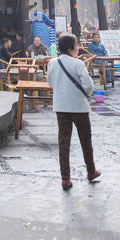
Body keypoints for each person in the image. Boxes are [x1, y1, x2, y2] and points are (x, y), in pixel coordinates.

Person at [46, 33, 102, 190]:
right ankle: (91, 171)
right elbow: (89, 85)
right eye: (76, 45)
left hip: (61, 107)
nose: (77, 48)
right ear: (71, 47)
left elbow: (50, 83)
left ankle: (65, 178)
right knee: (85, 140)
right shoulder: (78, 64)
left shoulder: (52, 63)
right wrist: (86, 95)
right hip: (79, 108)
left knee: (63, 142)